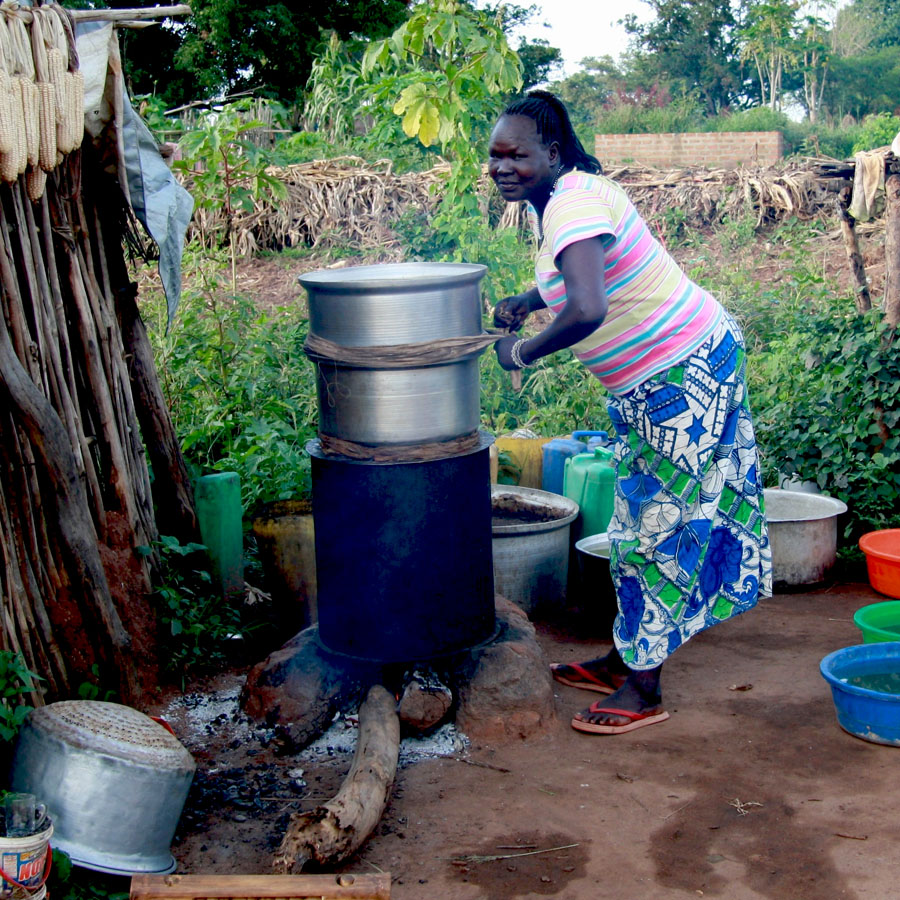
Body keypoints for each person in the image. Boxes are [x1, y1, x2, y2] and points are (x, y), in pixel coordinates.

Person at [488, 90, 773, 736]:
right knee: (635, 522)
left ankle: (644, 689)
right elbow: (585, 274)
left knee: (654, 529)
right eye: (496, 156)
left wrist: (521, 351)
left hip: (683, 378)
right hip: (672, 375)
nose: (503, 167)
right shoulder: (567, 195)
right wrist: (531, 298)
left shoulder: (570, 204)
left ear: (551, 152)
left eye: (517, 155)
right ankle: (627, 655)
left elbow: (588, 308)